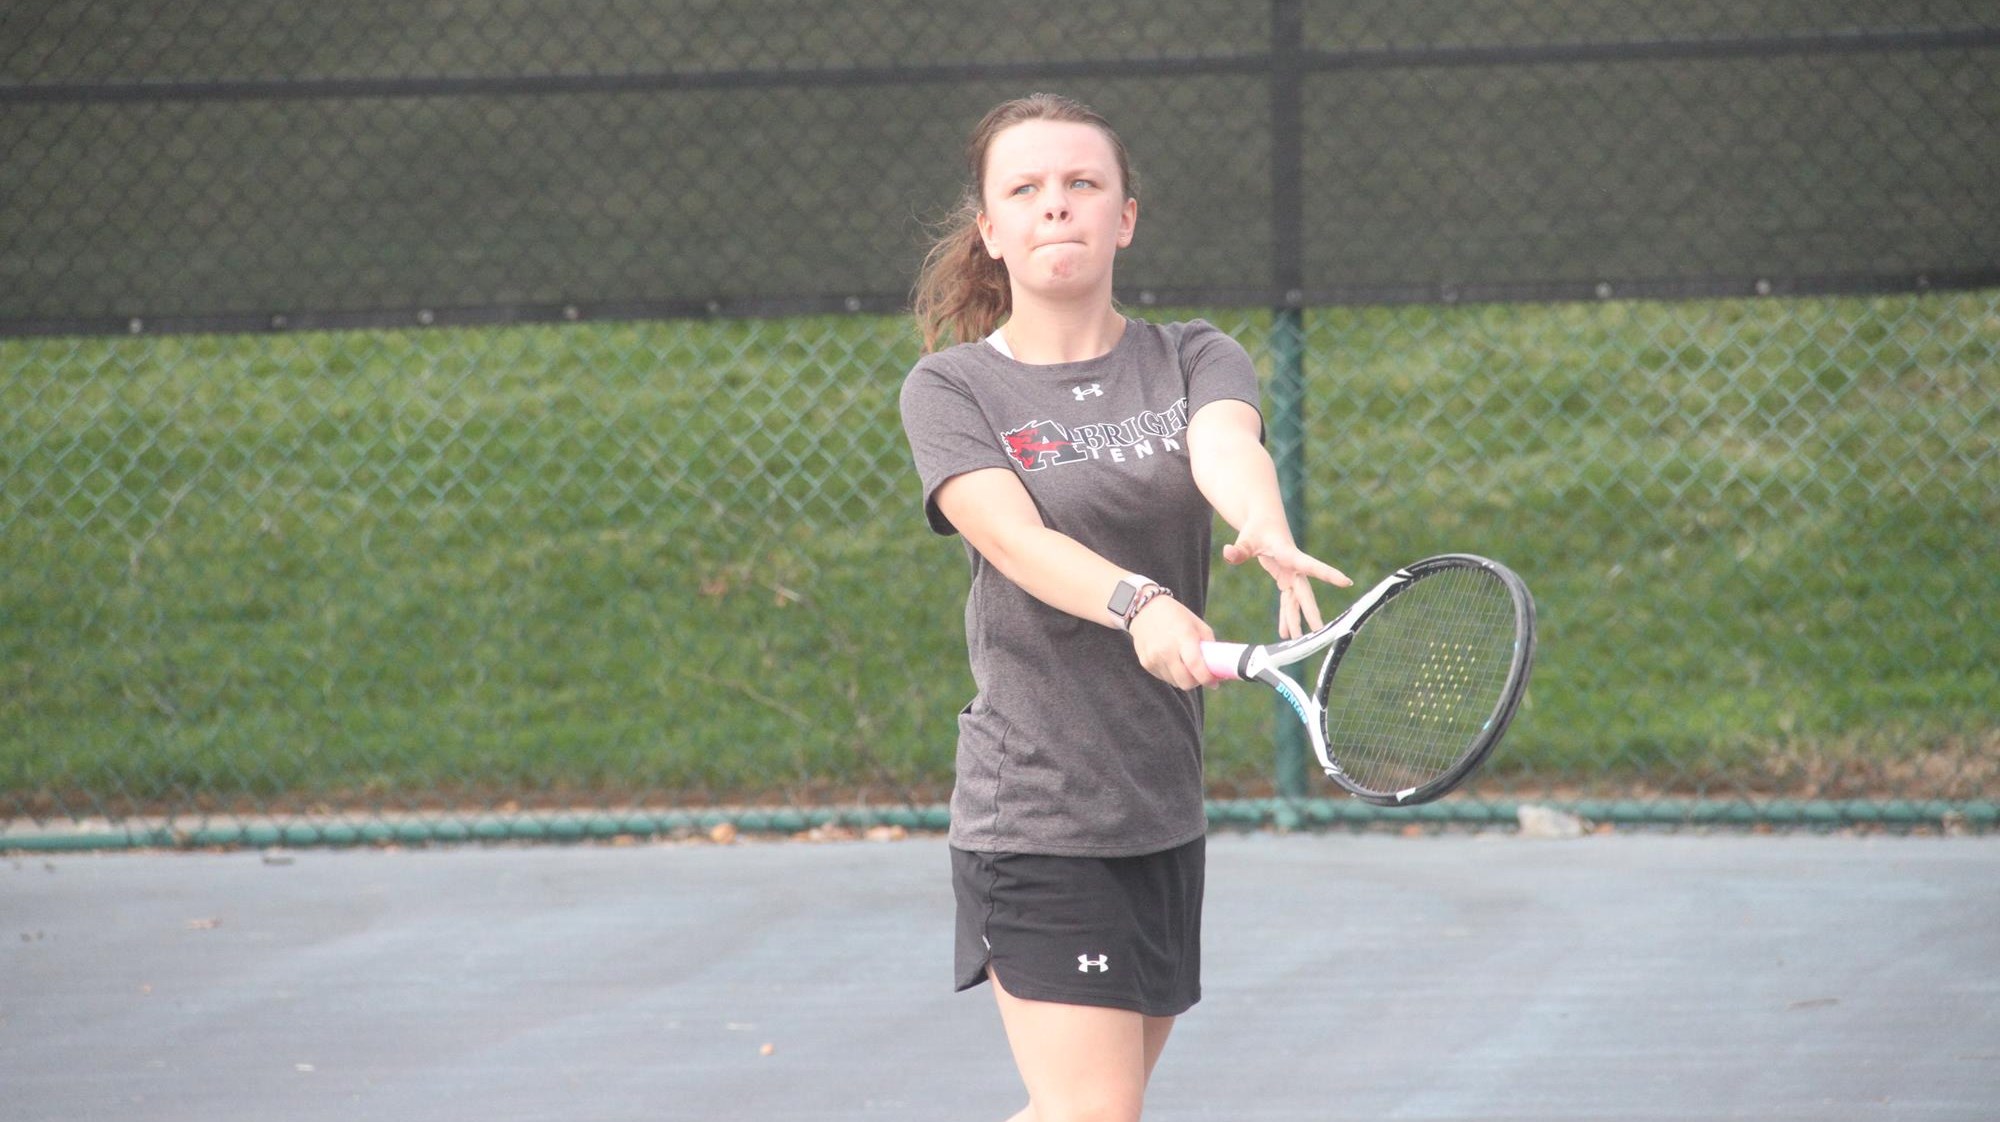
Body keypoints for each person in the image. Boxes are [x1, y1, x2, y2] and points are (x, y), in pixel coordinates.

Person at [897, 92, 1350, 1122]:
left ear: (1124, 217)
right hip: (1038, 813)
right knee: (1096, 1113)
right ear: (991, 232)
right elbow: (1011, 538)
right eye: (1025, 189)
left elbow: (1224, 446)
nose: (1054, 206)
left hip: (1156, 805)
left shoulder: (1192, 355)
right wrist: (1138, 600)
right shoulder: (950, 389)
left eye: (1080, 184)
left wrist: (1262, 521)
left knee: (1086, 1109)